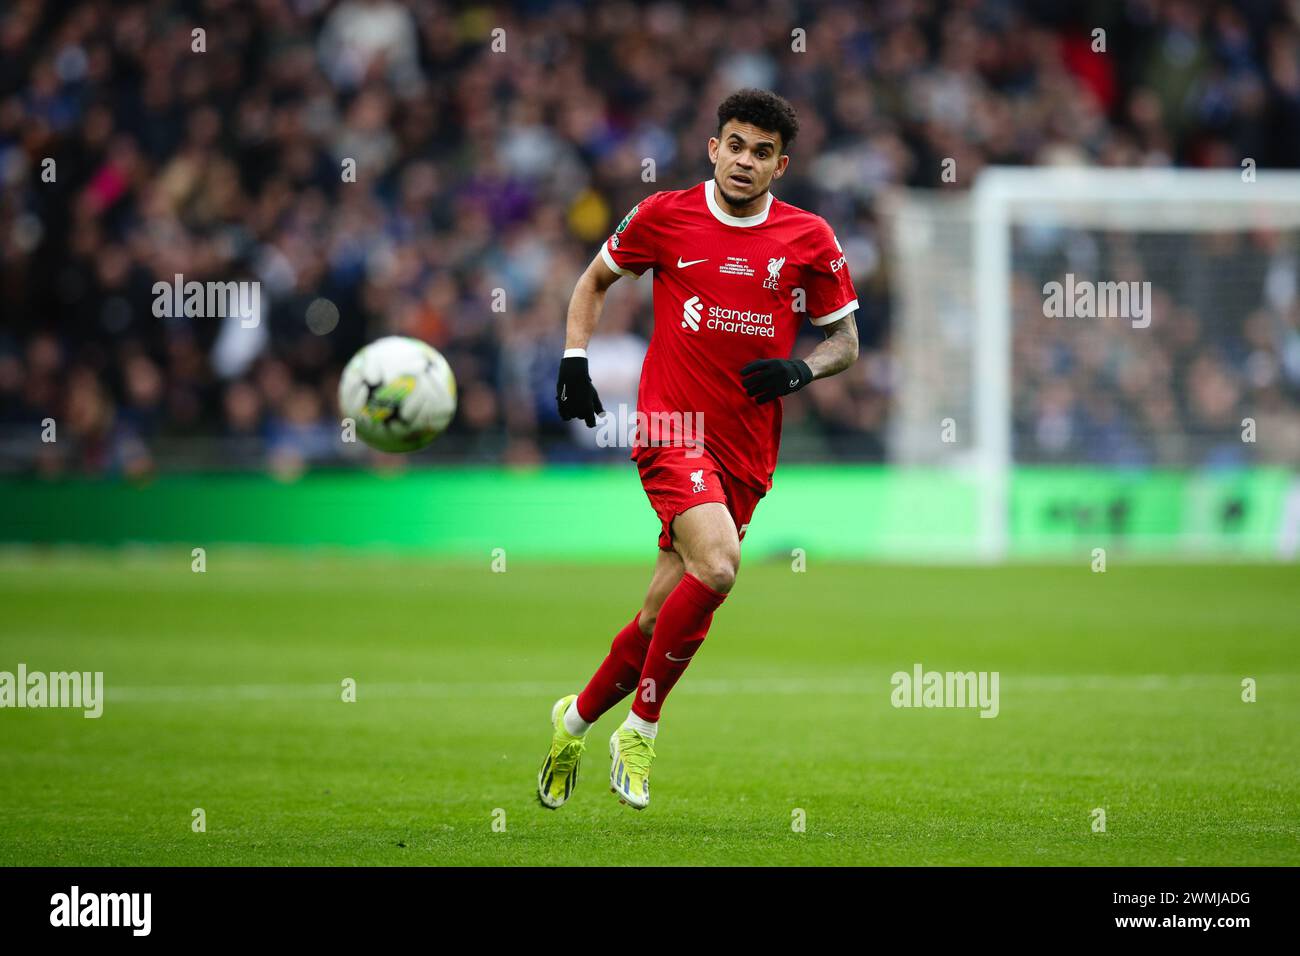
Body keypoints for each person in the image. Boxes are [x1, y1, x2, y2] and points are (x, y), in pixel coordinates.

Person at [540, 89, 860, 810]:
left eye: (763, 152)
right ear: (713, 147)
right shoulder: (664, 216)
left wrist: (801, 369)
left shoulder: (809, 237)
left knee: (660, 615)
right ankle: (641, 730)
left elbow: (846, 341)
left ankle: (574, 721)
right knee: (718, 565)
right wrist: (573, 359)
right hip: (670, 426)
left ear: (782, 165)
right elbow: (595, 280)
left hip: (747, 447)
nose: (746, 161)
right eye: (736, 145)